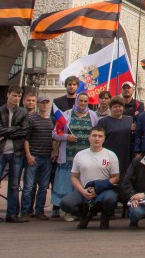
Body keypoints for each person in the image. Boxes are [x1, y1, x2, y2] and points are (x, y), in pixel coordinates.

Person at [0, 85, 31, 226]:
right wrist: (14, 130)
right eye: (14, 95)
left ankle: (12, 213)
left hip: (16, 152)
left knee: (14, 185)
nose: (16, 98)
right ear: (8, 95)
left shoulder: (23, 112)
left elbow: (24, 131)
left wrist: (6, 132)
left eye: (18, 96)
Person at [60, 126, 120, 229]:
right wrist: (83, 191)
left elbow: (116, 177)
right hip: (84, 189)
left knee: (111, 199)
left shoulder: (111, 155)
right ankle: (85, 216)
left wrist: (98, 189)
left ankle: (105, 218)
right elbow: (74, 177)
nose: (97, 138)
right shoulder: (80, 155)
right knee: (65, 203)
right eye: (94, 135)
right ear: (89, 138)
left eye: (100, 136)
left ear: (104, 139)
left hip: (103, 190)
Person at [51, 92, 98, 221]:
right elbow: (55, 133)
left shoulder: (93, 116)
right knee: (68, 184)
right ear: (76, 101)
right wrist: (66, 136)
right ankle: (68, 210)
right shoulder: (67, 114)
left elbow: (97, 133)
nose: (83, 103)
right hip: (69, 157)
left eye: (85, 101)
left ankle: (81, 210)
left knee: (83, 184)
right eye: (80, 101)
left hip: (86, 157)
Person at [21, 93, 55, 220]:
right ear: (38, 104)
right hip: (34, 156)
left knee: (43, 187)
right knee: (29, 186)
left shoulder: (51, 119)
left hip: (46, 157)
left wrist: (53, 151)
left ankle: (39, 210)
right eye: (42, 102)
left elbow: (54, 137)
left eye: (46, 102)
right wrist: (28, 155)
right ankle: (25, 211)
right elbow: (26, 138)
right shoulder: (31, 118)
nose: (45, 105)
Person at [97, 96, 134, 176]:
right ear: (110, 108)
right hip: (109, 156)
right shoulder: (103, 122)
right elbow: (98, 139)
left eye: (120, 106)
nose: (118, 109)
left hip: (126, 156)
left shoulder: (130, 120)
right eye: (115, 107)